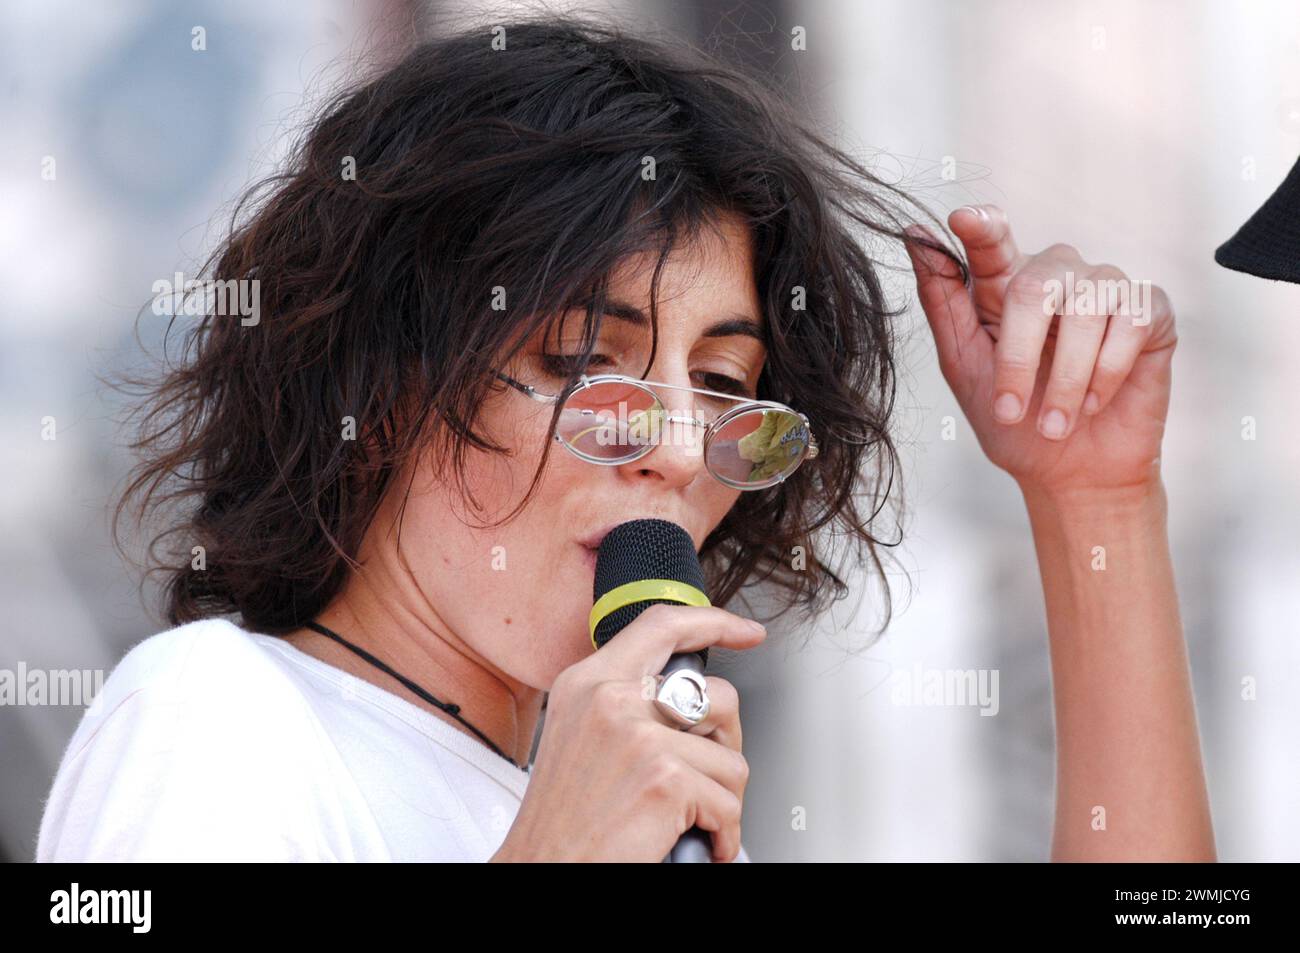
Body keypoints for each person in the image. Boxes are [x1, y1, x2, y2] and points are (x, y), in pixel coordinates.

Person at [37, 14, 1213, 862]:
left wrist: (1095, 497)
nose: (669, 445)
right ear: (387, 382)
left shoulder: (641, 802)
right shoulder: (219, 719)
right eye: (583, 360)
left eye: (719, 380)